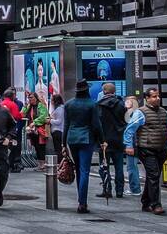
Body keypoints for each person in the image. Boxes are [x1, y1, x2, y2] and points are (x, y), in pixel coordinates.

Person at [127, 87, 167, 216]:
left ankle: (145, 201)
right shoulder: (140, 112)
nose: (157, 98)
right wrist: (129, 146)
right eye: (154, 96)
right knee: (154, 175)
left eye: (158, 96)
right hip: (147, 149)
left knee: (154, 176)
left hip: (161, 149)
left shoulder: (164, 112)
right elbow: (130, 130)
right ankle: (156, 204)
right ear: (147, 98)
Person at [61, 79, 103, 213]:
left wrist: (63, 143)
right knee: (84, 170)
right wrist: (102, 140)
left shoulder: (69, 105)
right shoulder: (92, 105)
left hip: (72, 138)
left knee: (78, 169)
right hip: (86, 138)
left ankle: (81, 199)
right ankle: (82, 203)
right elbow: (97, 125)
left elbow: (66, 125)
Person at [95, 82, 128, 199]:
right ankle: (119, 191)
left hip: (104, 141)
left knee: (104, 166)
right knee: (119, 166)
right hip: (118, 139)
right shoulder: (121, 104)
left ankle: (107, 189)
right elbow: (126, 121)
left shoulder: (99, 105)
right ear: (114, 92)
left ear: (104, 92)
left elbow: (97, 124)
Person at [122, 95, 144, 196]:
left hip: (134, 144)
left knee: (131, 167)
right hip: (140, 143)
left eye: (128, 102)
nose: (125, 103)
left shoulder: (135, 114)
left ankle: (135, 189)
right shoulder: (135, 113)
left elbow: (130, 132)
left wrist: (129, 145)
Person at [22, 91, 51, 165]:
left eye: (31, 97)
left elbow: (44, 116)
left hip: (40, 129)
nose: (30, 99)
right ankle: (40, 164)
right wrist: (25, 106)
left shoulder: (41, 105)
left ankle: (43, 164)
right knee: (36, 146)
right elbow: (22, 114)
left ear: (35, 98)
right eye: (29, 98)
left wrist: (34, 122)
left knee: (41, 146)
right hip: (32, 130)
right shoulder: (29, 106)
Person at [1, 89, 24, 171]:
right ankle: (12, 164)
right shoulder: (13, 104)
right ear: (12, 96)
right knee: (14, 146)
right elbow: (17, 116)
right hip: (12, 130)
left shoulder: (1, 104)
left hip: (2, 130)